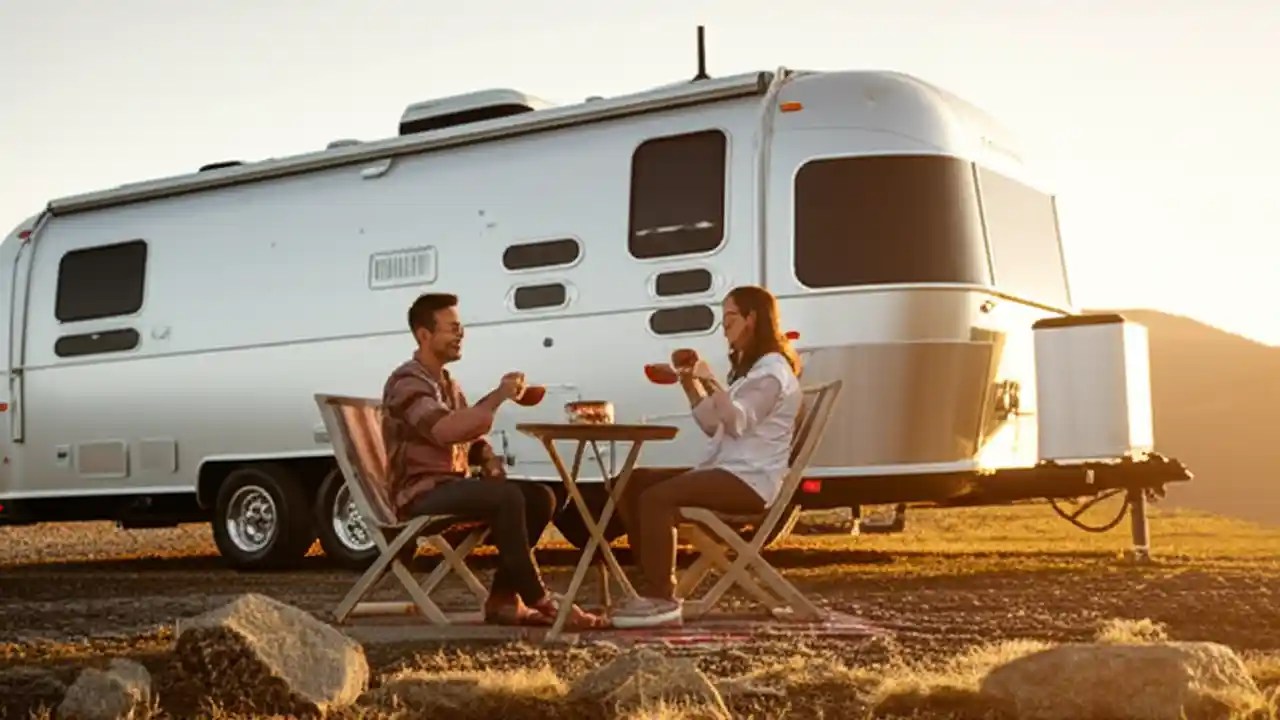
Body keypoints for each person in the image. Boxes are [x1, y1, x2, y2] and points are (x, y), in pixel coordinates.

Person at [381, 292, 607, 629]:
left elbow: (468, 432)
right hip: (418, 493)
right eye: (452, 328)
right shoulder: (407, 382)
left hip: (450, 486)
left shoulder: (445, 383)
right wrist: (500, 396)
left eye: (461, 328)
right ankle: (538, 598)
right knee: (507, 497)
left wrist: (487, 458)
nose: (461, 335)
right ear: (424, 335)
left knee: (541, 496)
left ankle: (504, 600)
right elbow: (444, 430)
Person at [611, 285, 803, 628]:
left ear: (752, 318)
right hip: (729, 470)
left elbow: (738, 422)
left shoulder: (773, 374)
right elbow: (712, 423)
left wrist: (712, 381)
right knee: (634, 482)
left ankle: (662, 598)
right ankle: (653, 583)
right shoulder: (755, 371)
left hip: (750, 481)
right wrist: (689, 383)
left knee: (657, 498)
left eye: (730, 317)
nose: (724, 326)